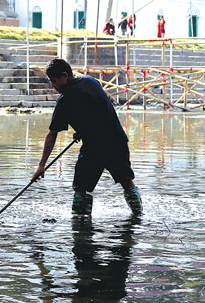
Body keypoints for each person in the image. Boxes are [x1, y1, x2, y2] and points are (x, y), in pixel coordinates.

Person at [32, 58, 141, 216]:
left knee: (80, 190)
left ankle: (81, 230)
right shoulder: (91, 82)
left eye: (54, 81)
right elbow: (101, 111)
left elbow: (52, 134)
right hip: (116, 141)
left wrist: (41, 165)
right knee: (127, 182)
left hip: (94, 148)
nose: (53, 86)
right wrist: (84, 130)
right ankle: (139, 216)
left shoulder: (65, 101)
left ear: (64, 76)